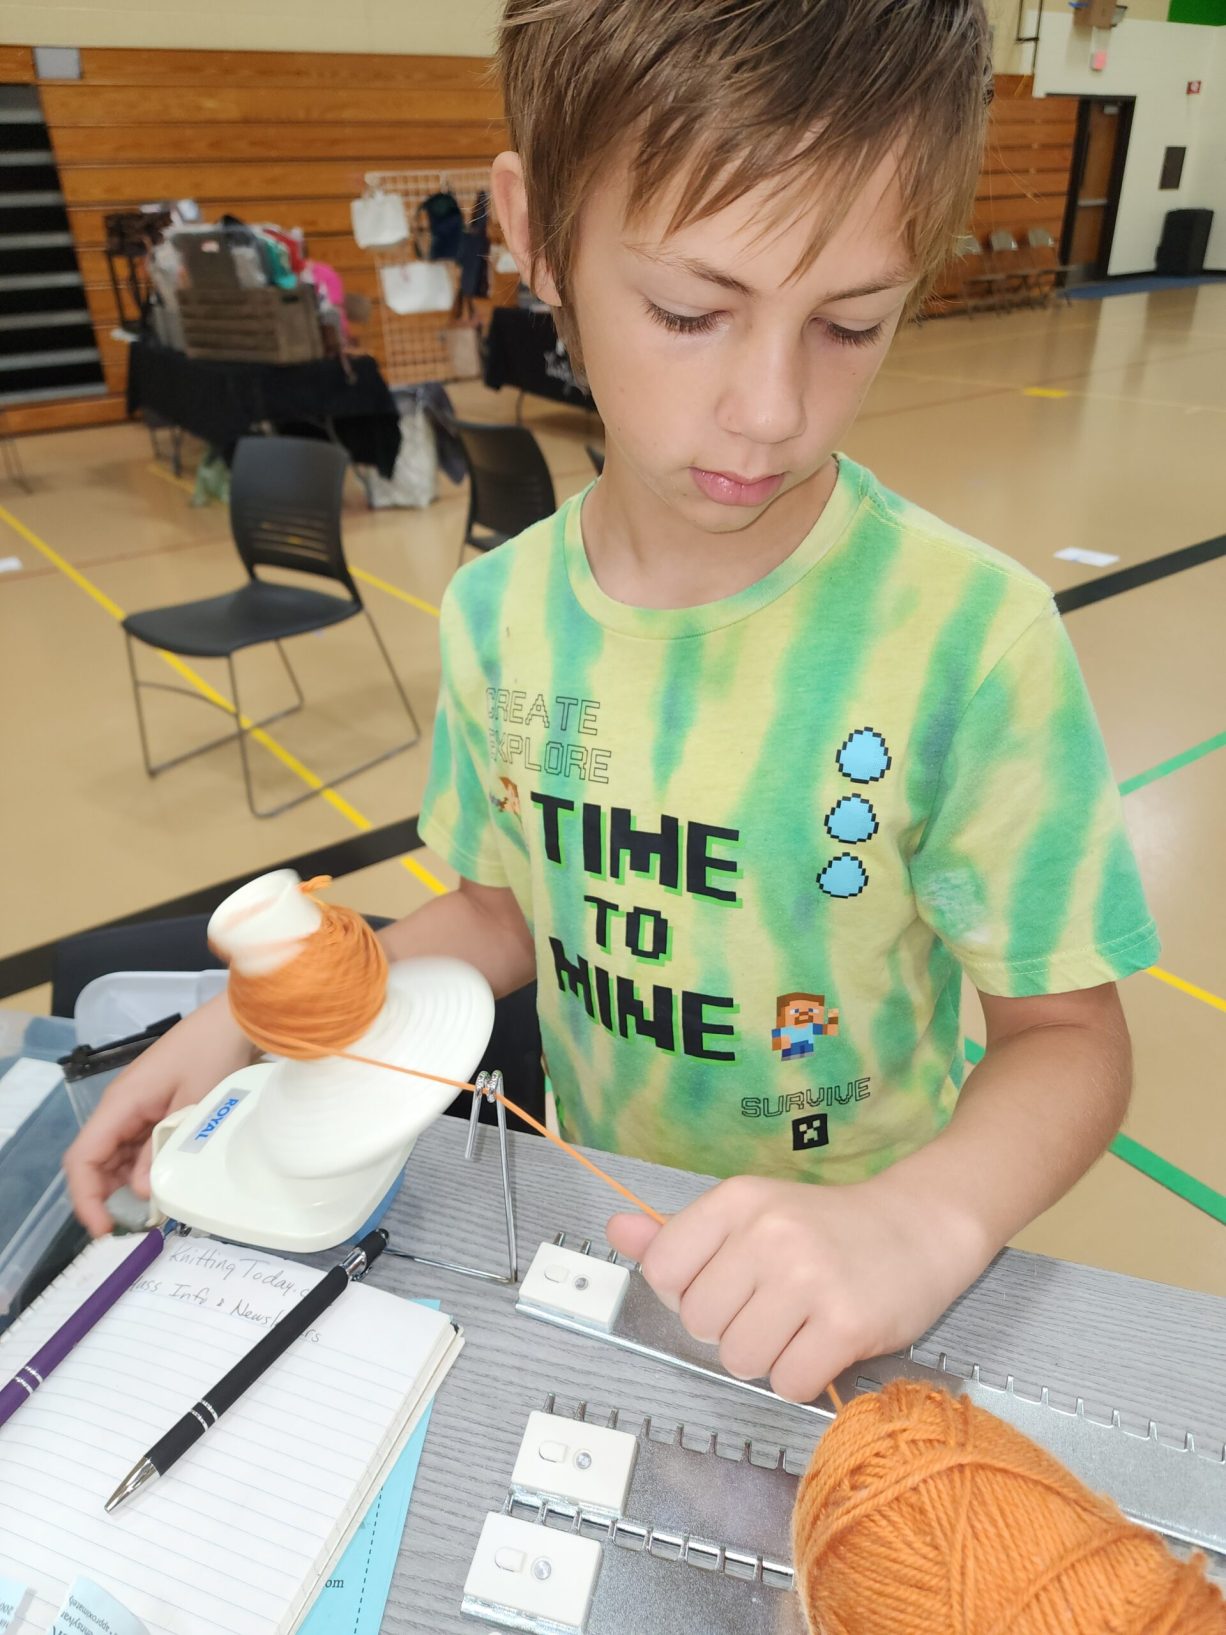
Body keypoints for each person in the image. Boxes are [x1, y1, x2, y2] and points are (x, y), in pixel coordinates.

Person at [65, 0, 1158, 1403]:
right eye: (691, 312)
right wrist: (244, 1019)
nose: (768, 408)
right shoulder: (499, 616)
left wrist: (923, 1220)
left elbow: (1067, 1042)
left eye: (849, 322)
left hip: (865, 1275)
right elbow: (508, 909)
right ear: (534, 230)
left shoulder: (966, 639)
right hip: (611, 1221)